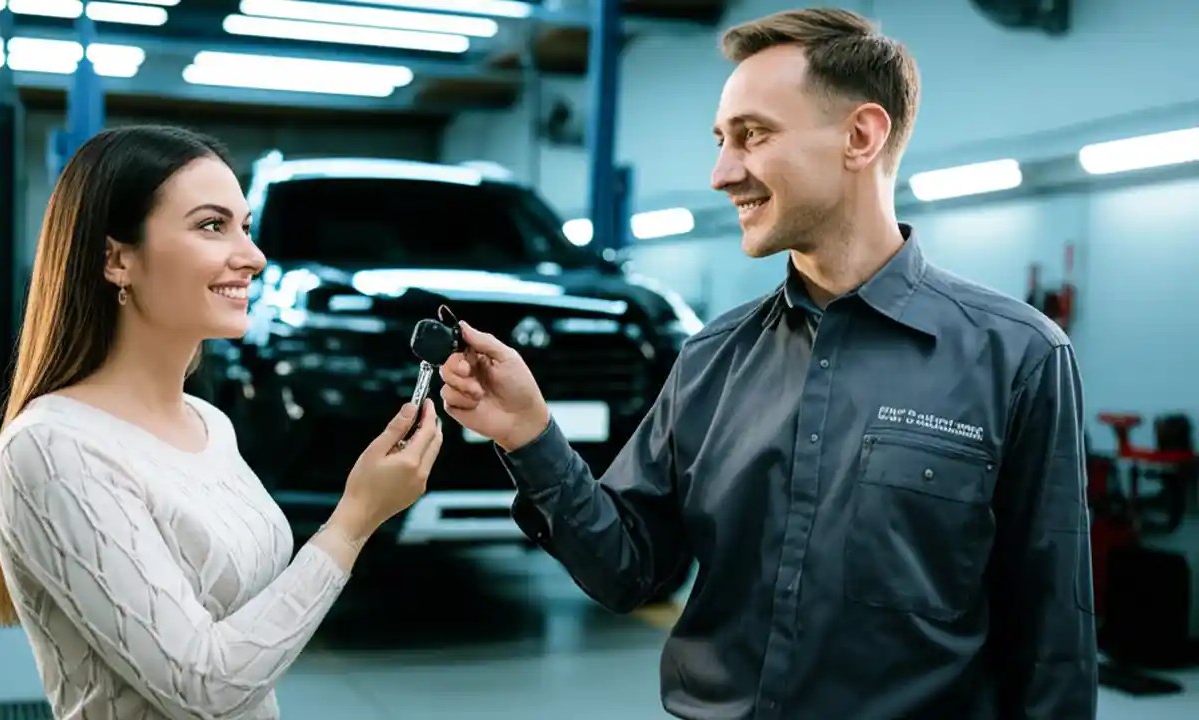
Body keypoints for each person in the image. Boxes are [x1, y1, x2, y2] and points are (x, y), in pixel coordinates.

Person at [439, 7, 1097, 719]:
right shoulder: (712, 360)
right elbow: (628, 570)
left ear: (860, 136)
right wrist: (530, 436)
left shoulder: (1017, 356)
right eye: (721, 140)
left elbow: (1052, 644)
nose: (722, 173)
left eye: (752, 135)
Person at [0, 125, 443, 719]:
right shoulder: (53, 449)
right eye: (210, 226)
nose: (253, 256)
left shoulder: (207, 423)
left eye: (244, 227)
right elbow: (205, 688)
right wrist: (354, 521)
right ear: (117, 259)